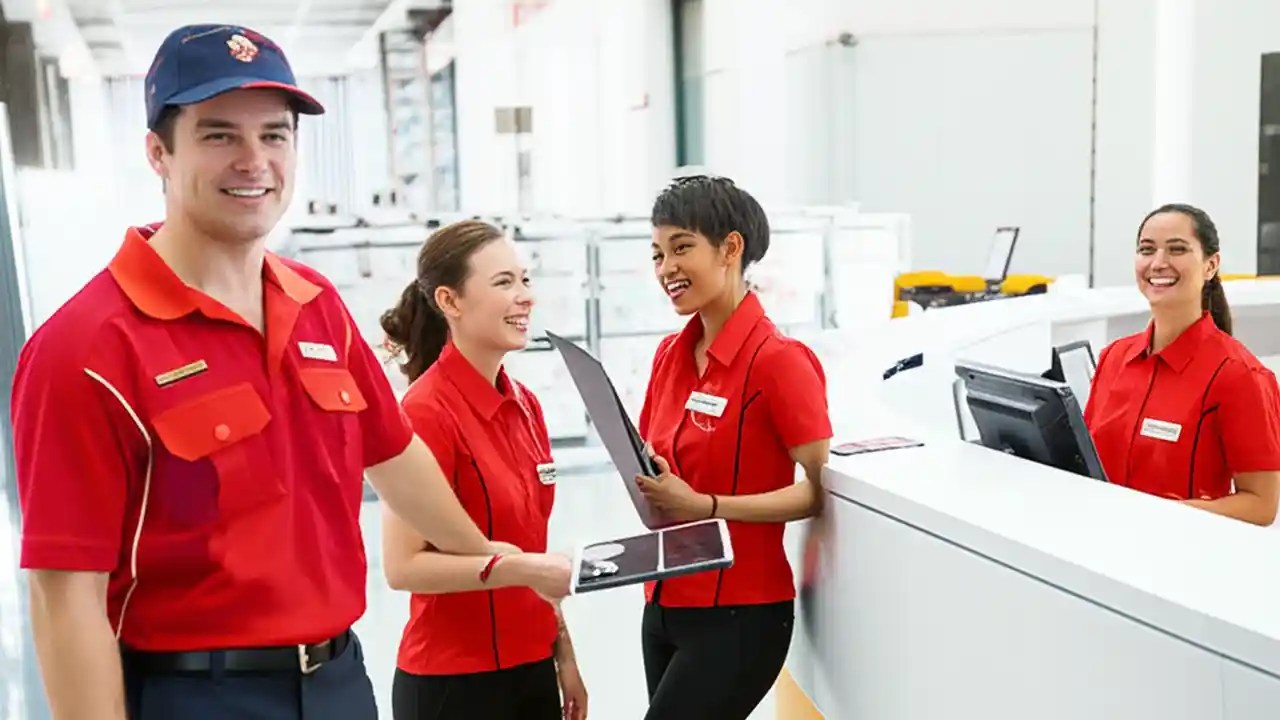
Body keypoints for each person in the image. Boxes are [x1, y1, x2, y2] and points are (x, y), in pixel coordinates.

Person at [7, 24, 568, 720]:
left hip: (338, 680)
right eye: (219, 136)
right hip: (195, 695)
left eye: (274, 135)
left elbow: (396, 458)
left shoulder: (317, 306)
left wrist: (496, 561)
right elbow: (65, 599)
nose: (255, 161)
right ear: (158, 152)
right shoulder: (86, 347)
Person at [630, 175, 833, 719]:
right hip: (665, 602)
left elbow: (819, 490)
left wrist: (707, 507)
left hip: (742, 612)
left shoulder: (779, 360)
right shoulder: (670, 355)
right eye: (657, 254)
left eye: (681, 248)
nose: (666, 268)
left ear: (731, 248)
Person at [378, 219, 587, 719]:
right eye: (503, 283)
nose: (525, 297)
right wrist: (518, 567)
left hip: (530, 670)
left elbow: (534, 551)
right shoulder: (425, 413)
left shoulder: (527, 407)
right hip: (453, 685)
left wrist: (564, 654)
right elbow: (403, 566)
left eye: (525, 280)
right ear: (450, 301)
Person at [1084, 203, 1280, 525]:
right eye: (1147, 250)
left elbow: (1261, 506)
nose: (1158, 263)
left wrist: (1159, 516)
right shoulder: (1113, 358)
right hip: (1098, 545)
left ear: (1210, 265)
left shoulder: (1240, 376)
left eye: (1177, 249)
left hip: (1180, 558)